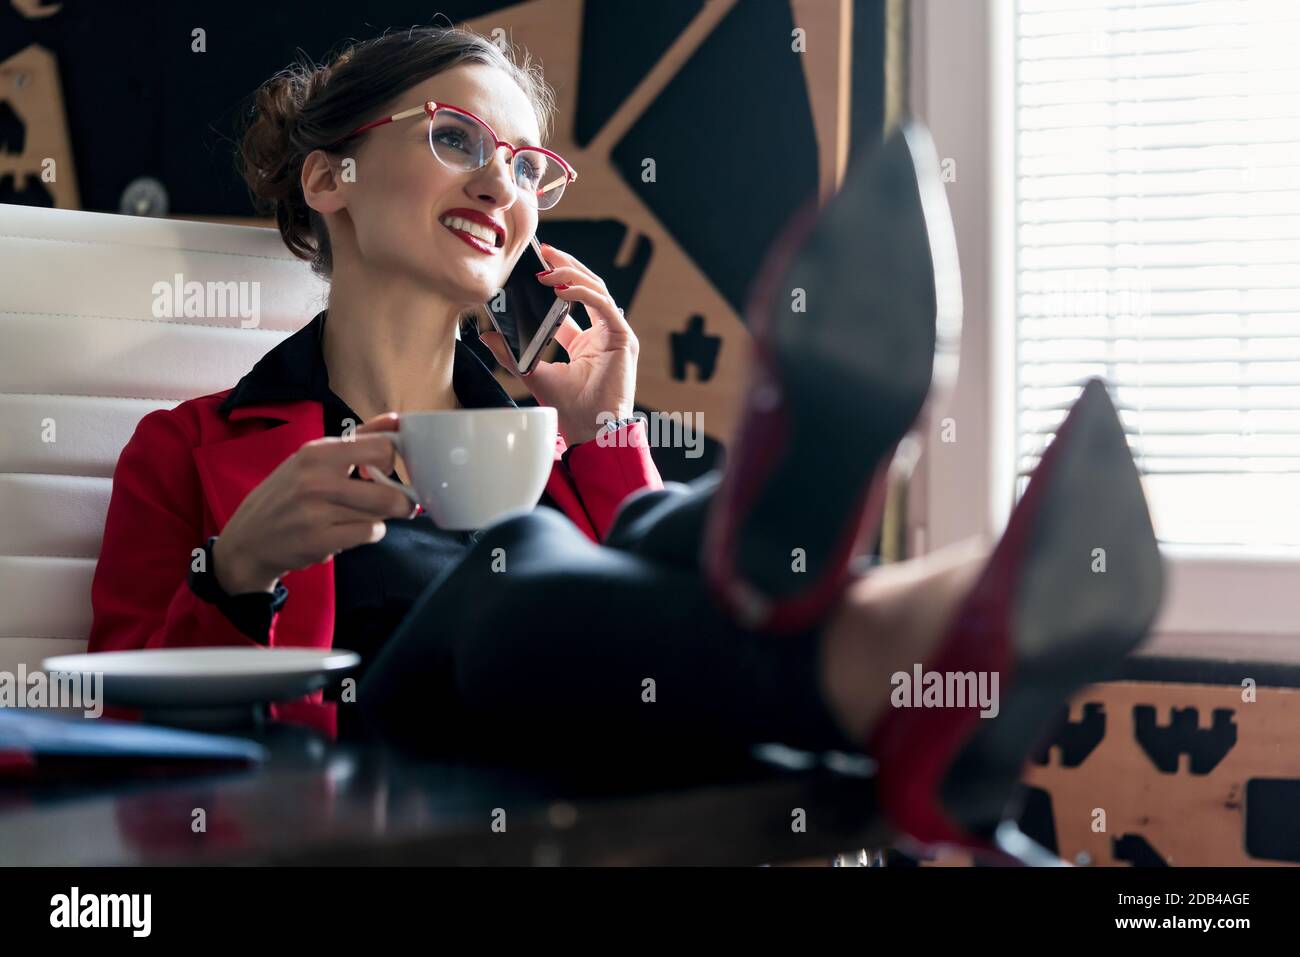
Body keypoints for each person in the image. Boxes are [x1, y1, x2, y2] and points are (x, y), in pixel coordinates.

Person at [88, 26, 1163, 862]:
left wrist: (606, 434)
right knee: (520, 565)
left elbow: (665, 623)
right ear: (332, 181)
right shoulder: (187, 451)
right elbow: (116, 740)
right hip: (366, 809)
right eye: (453, 140)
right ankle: (912, 612)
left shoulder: (539, 443)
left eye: (524, 168)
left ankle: (884, 627)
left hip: (574, 799)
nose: (497, 188)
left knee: (627, 543)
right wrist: (235, 572)